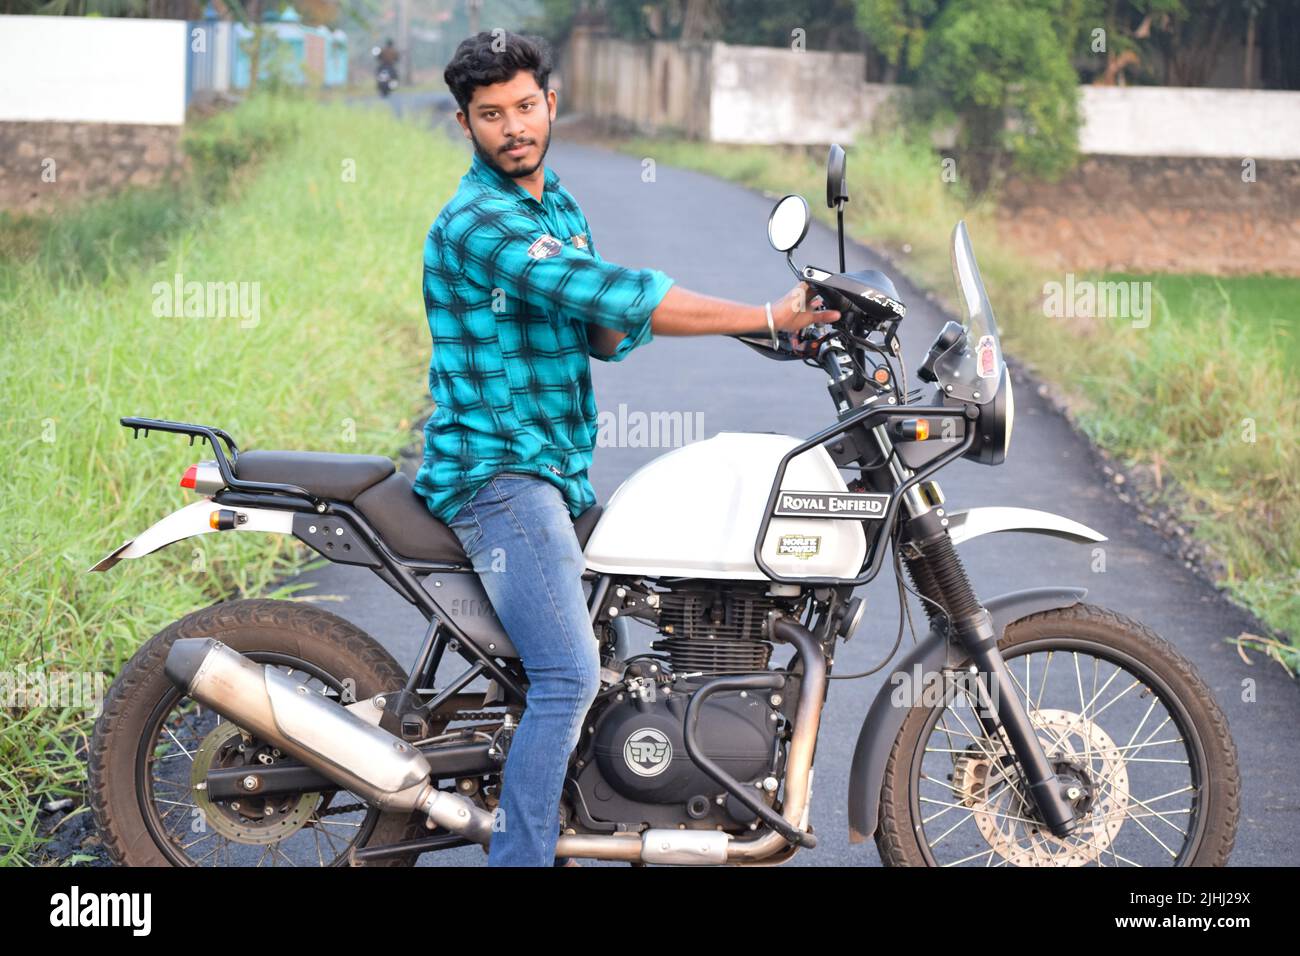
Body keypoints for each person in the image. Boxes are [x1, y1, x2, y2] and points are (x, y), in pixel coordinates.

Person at [413, 30, 836, 867]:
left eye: (524, 107)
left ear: (550, 105)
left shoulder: (556, 206)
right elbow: (610, 292)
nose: (512, 127)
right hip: (498, 476)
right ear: (465, 124)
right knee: (568, 679)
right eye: (490, 115)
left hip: (552, 474)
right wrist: (761, 311)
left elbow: (606, 325)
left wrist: (774, 338)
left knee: (626, 635)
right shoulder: (477, 220)